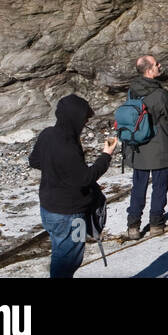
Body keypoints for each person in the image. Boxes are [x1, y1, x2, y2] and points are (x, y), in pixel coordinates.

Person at [28, 94, 117, 278]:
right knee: (68, 261)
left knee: (61, 254)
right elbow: (85, 179)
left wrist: (57, 169)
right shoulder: (67, 146)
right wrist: (106, 155)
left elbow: (34, 161)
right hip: (69, 214)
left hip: (48, 208)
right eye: (84, 119)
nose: (85, 124)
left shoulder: (47, 134)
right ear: (75, 118)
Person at [122, 55, 168, 239]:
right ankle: (156, 223)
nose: (159, 66)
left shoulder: (132, 90)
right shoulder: (160, 93)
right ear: (149, 70)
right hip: (159, 146)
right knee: (159, 187)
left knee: (138, 187)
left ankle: (133, 226)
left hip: (137, 146)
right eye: (156, 64)